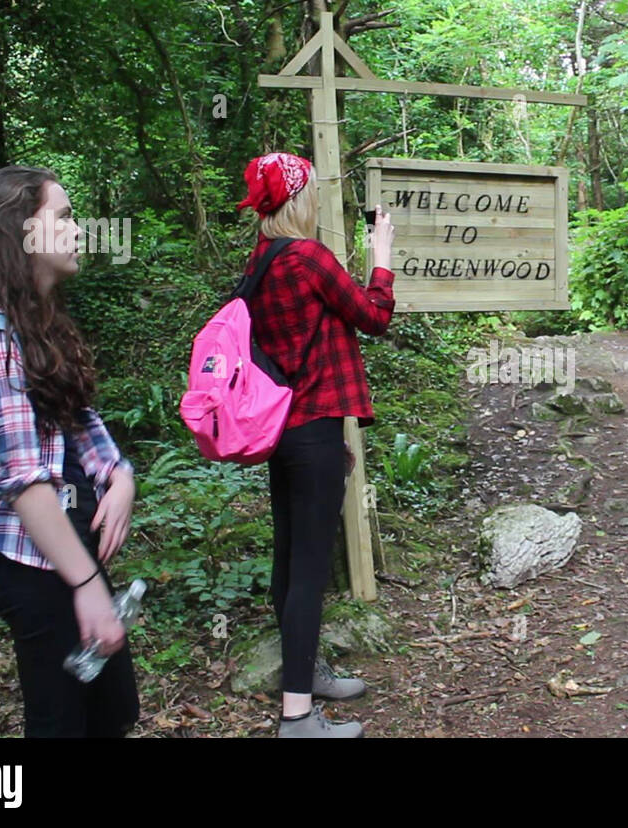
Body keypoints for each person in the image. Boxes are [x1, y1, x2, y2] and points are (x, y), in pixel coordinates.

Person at [0, 166, 139, 737]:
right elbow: (22, 479)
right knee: (62, 725)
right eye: (65, 218)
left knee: (112, 713)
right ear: (19, 230)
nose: (79, 231)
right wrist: (87, 586)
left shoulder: (35, 328)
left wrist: (120, 478)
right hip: (34, 567)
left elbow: (77, 424)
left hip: (67, 558)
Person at [236, 152, 395, 738]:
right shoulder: (308, 257)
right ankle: (297, 717)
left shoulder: (262, 260)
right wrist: (382, 259)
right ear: (301, 199)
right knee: (307, 571)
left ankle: (305, 673)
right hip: (314, 427)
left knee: (291, 561)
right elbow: (373, 317)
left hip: (283, 431)